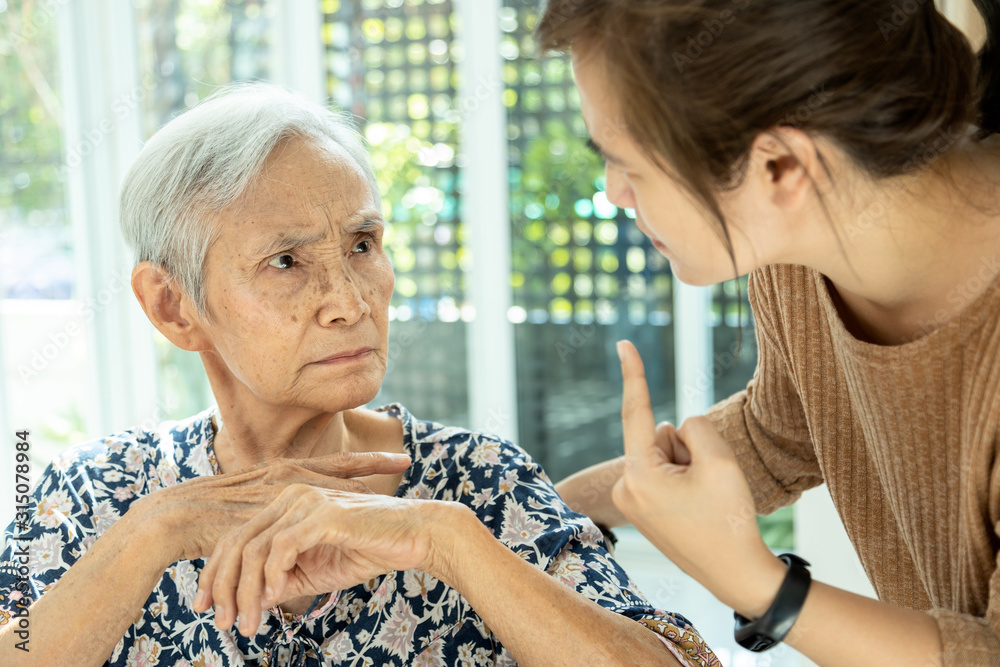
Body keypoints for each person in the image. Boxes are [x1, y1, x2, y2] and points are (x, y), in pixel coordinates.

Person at [0, 84, 719, 667]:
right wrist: (147, 539)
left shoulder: (481, 484)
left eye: (363, 244)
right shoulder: (90, 498)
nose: (350, 301)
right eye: (286, 261)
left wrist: (447, 542)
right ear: (172, 304)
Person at [541, 0, 1000, 665]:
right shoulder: (800, 255)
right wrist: (543, 511)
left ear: (780, 167)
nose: (614, 191)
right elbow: (782, 430)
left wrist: (757, 583)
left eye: (630, 164)